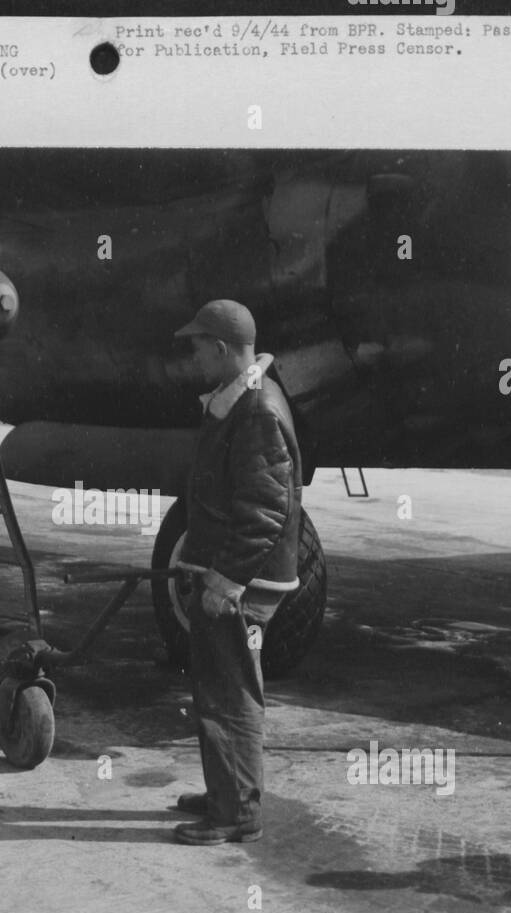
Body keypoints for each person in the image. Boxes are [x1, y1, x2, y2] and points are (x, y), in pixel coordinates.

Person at [170, 300, 303, 846]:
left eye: (198, 345)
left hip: (244, 581)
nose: (193, 356)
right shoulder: (240, 402)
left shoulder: (257, 412)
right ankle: (228, 792)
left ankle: (236, 814)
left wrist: (226, 581)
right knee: (222, 688)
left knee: (230, 694)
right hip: (236, 572)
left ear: (222, 348)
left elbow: (265, 509)